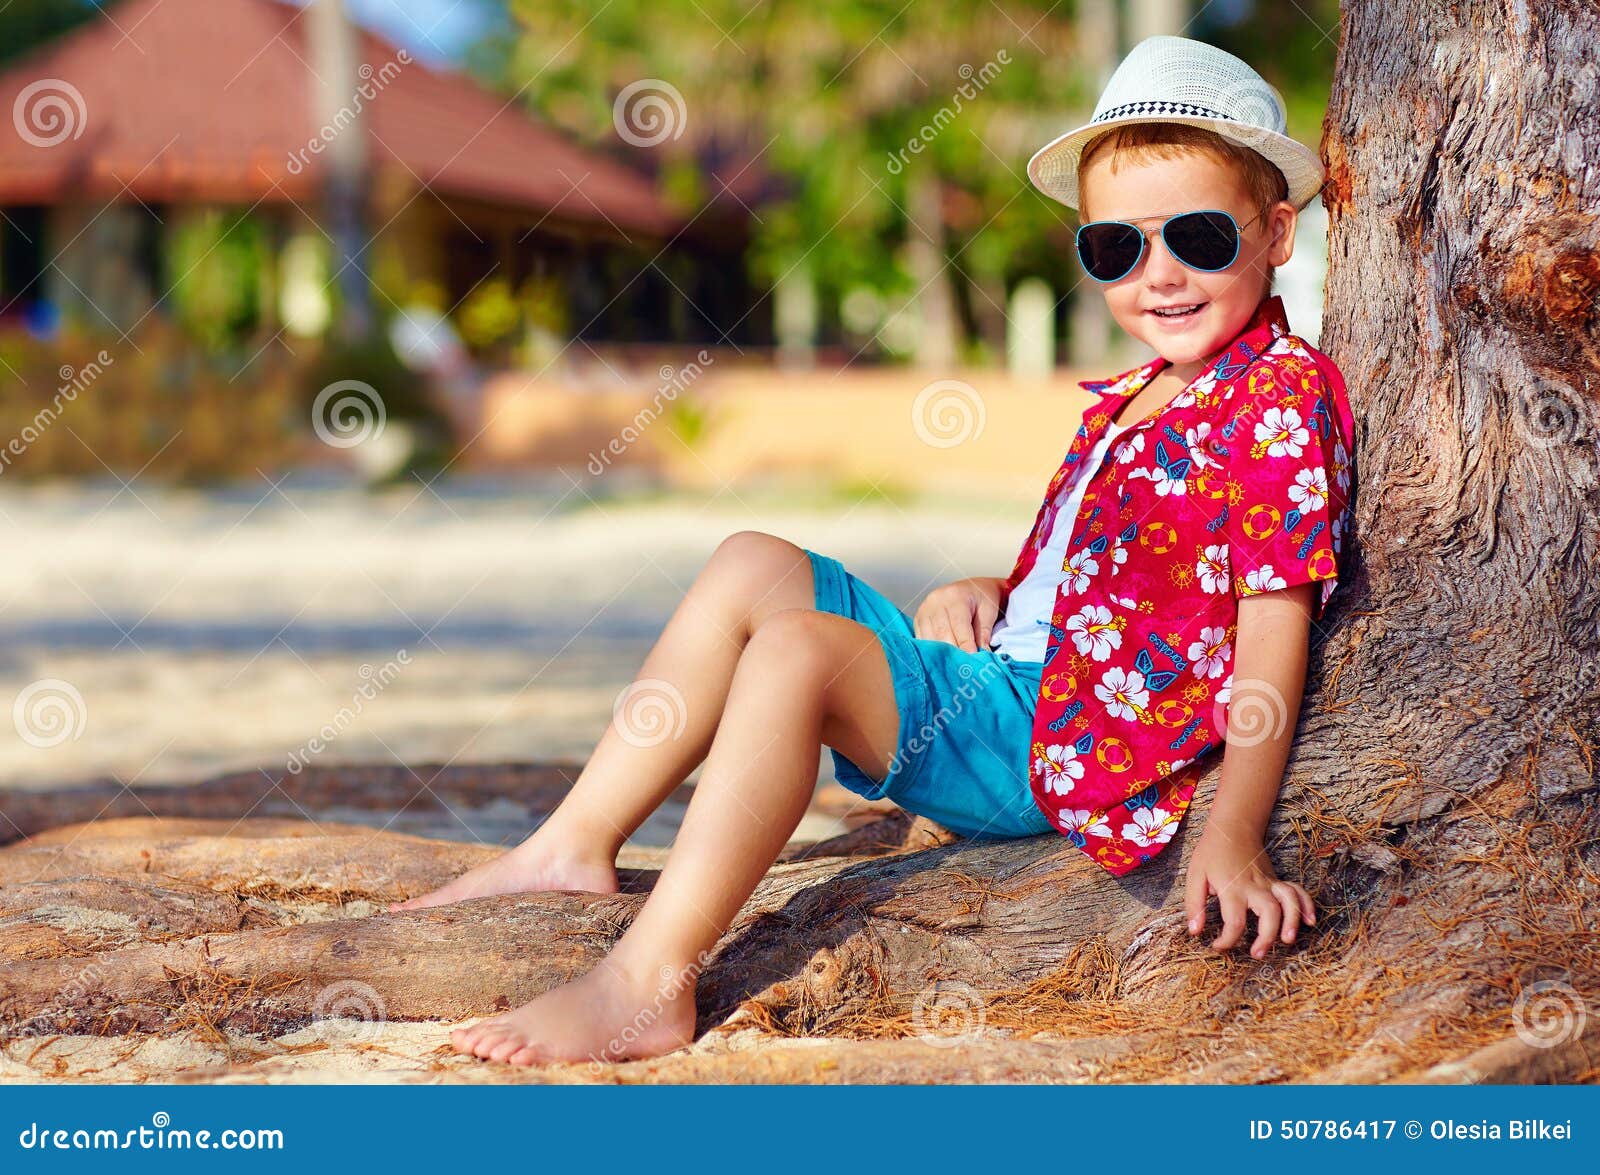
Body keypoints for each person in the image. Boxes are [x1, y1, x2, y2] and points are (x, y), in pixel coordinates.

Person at [391, 34, 1356, 1067]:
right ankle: (569, 844)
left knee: (800, 649)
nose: (1157, 277)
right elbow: (1112, 568)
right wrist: (986, 585)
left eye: (1199, 238)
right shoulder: (1139, 393)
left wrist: (1233, 829)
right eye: (1115, 249)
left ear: (1276, 233)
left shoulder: (1276, 397)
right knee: (753, 558)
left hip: (1060, 736)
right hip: (1011, 677)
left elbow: (1269, 618)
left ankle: (647, 978)